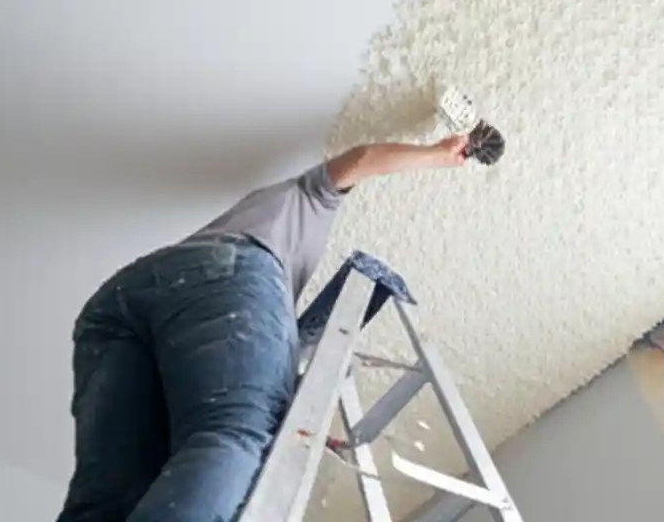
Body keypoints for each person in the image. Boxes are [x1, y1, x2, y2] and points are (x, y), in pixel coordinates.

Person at [57, 135, 470, 522]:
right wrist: (440, 153)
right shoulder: (310, 197)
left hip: (117, 303)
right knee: (235, 430)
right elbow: (361, 160)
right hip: (231, 272)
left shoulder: (252, 223)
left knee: (107, 496)